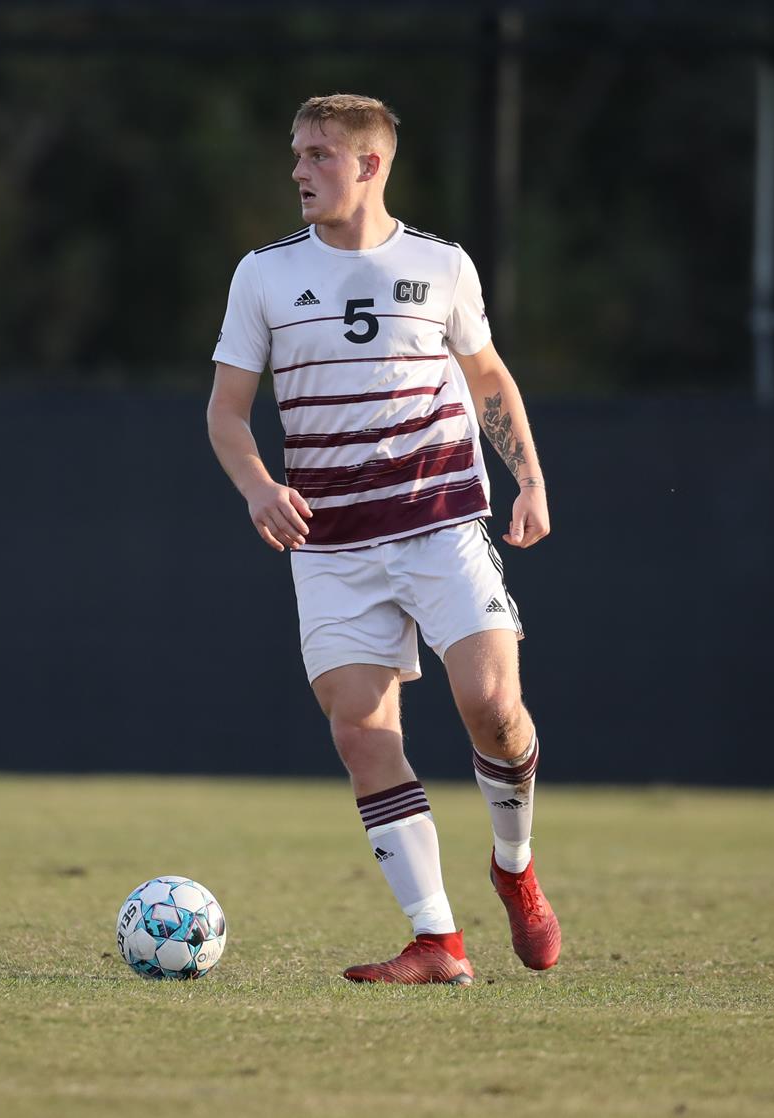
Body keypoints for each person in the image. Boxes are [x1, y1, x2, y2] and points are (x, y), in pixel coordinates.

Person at [206, 93, 559, 985]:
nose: (298, 170)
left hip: (440, 523)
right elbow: (226, 412)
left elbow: (487, 376)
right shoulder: (265, 275)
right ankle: (438, 942)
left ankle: (513, 867)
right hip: (330, 545)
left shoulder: (441, 265)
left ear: (370, 165)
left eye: (318, 155)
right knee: (361, 732)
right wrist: (258, 487)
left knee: (494, 711)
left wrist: (530, 476)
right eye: (295, 154)